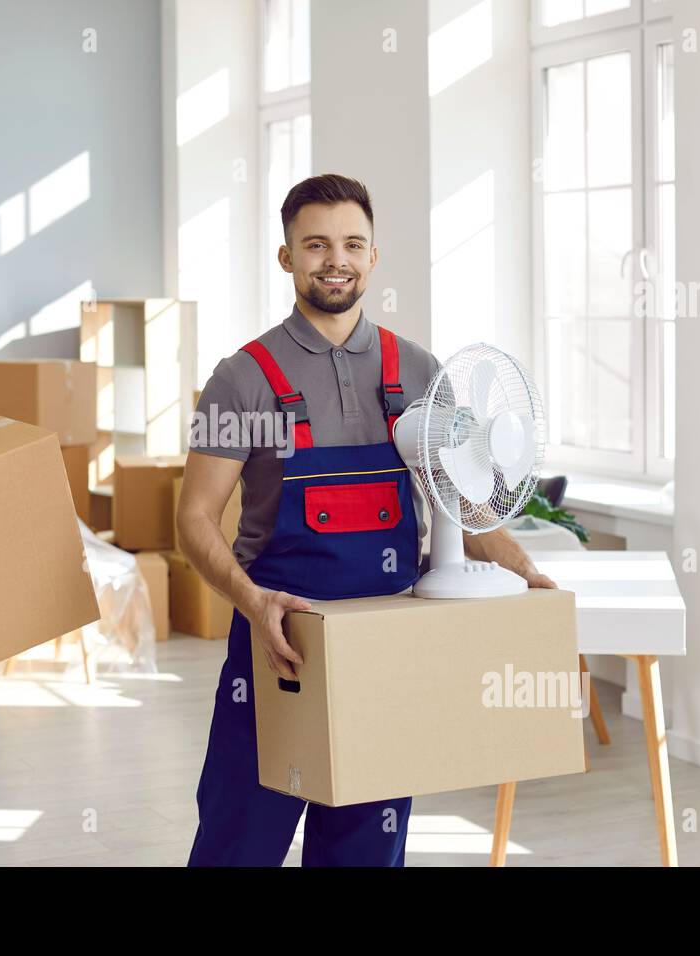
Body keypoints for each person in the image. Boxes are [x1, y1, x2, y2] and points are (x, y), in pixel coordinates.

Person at [179, 175, 556, 866]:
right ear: (286, 257)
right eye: (316, 244)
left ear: (373, 257)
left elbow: (459, 509)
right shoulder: (243, 377)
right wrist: (252, 601)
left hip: (387, 652)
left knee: (363, 851)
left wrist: (526, 573)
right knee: (239, 842)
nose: (336, 259)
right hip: (278, 644)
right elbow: (195, 518)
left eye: (352, 244)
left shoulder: (420, 373)